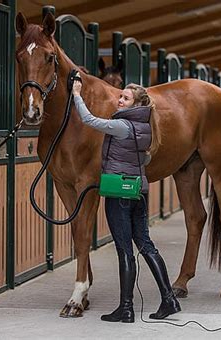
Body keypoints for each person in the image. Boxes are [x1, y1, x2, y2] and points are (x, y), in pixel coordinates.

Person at [72, 76, 181, 323]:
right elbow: (145, 160)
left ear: (135, 105)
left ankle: (127, 308)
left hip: (119, 193)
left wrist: (77, 95)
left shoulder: (122, 126)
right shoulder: (146, 127)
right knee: (145, 244)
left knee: (124, 250)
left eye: (125, 98)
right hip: (138, 192)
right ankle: (168, 299)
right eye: (120, 96)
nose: (119, 100)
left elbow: (89, 120)